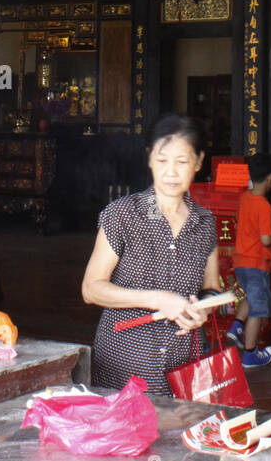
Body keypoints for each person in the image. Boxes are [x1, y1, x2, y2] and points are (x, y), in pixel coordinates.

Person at [82, 114, 220, 396]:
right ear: (149, 159)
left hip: (182, 366)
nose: (171, 172)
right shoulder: (122, 215)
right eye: (162, 160)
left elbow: (211, 288)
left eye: (182, 162)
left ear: (198, 162)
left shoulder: (206, 223)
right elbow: (91, 289)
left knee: (174, 438)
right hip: (123, 364)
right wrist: (157, 299)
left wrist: (203, 310)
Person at [227, 152, 271, 368]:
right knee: (258, 309)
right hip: (257, 262)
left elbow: (237, 220)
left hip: (241, 261)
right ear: (270, 179)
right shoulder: (262, 204)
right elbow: (266, 238)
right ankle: (251, 354)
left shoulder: (244, 197)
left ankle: (236, 327)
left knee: (251, 298)